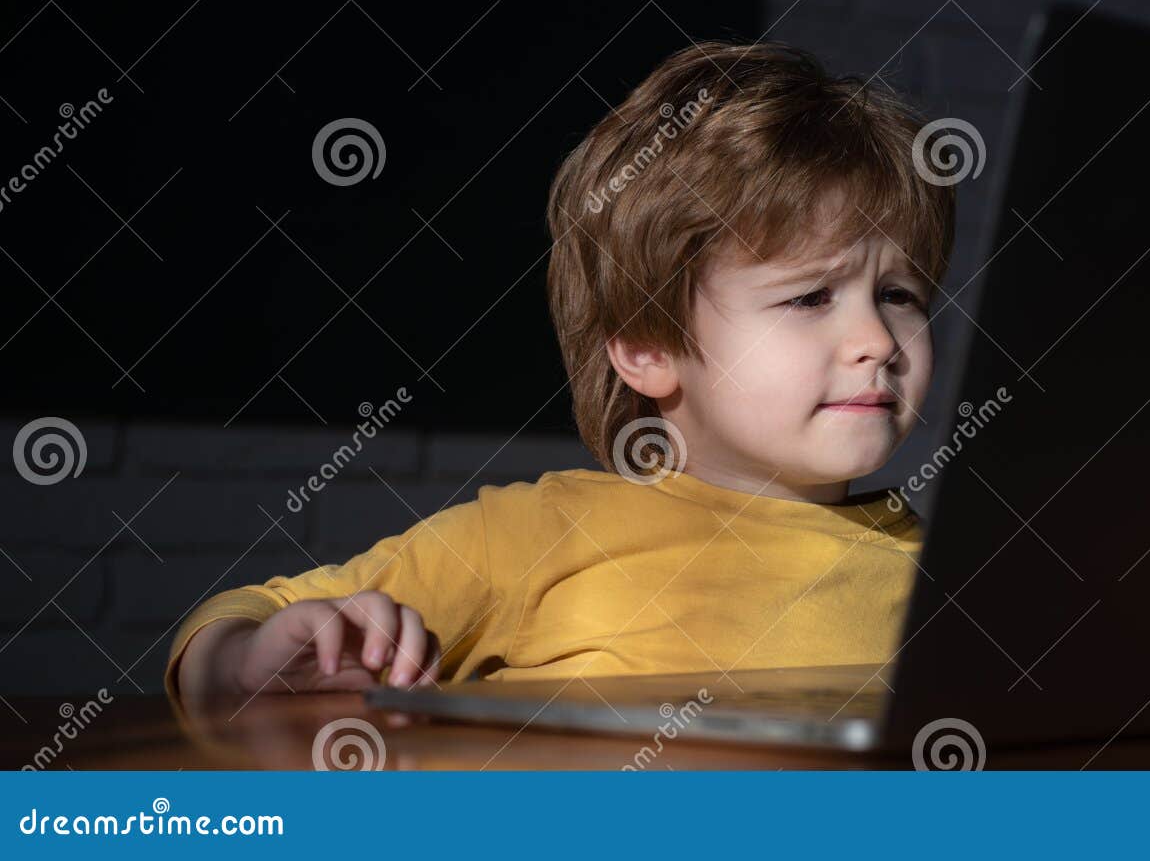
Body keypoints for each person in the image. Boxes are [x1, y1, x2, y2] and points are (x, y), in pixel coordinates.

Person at [166, 40, 957, 704]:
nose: (876, 338)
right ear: (647, 345)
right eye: (810, 296)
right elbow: (235, 628)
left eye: (898, 294)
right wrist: (248, 658)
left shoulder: (955, 582)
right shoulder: (537, 537)